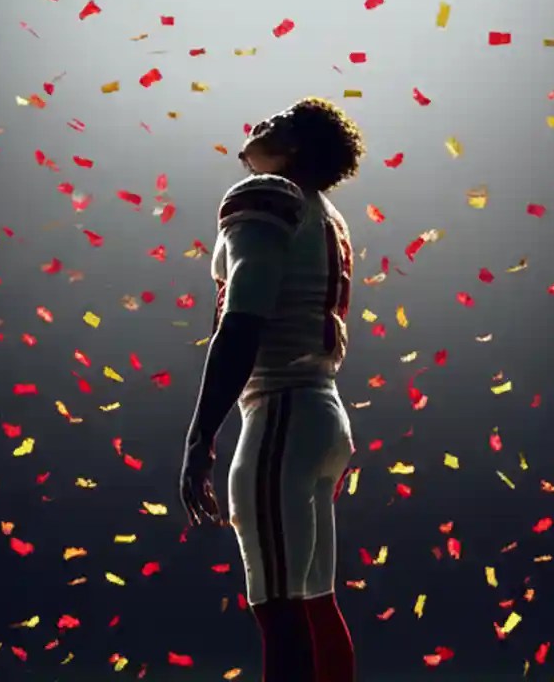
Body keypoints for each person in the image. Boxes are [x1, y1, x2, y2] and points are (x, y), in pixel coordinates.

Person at [180, 97, 365, 682]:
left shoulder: (266, 195)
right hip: (322, 412)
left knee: (278, 610)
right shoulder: (325, 213)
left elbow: (243, 318)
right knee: (313, 601)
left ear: (294, 150)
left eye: (280, 123)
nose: (261, 120)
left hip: (282, 411)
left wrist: (200, 435)